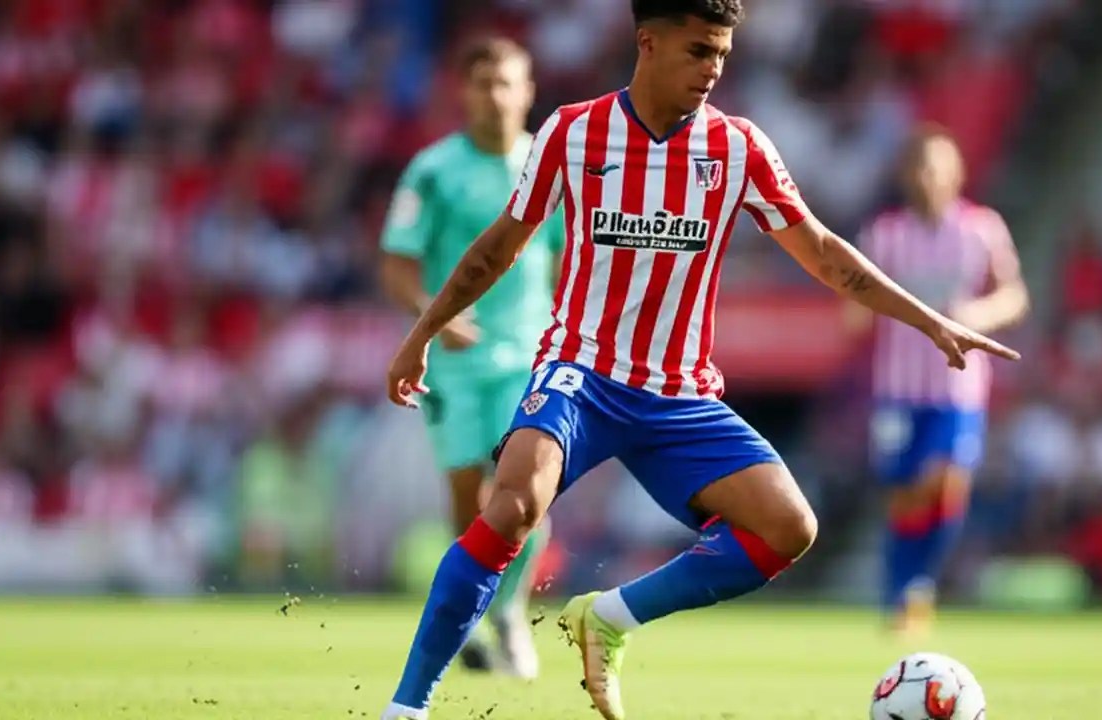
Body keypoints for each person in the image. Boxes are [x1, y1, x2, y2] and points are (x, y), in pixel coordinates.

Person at [380, 2, 1019, 718]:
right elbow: (501, 245)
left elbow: (824, 253)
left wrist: (930, 320)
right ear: (648, 43)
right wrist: (421, 334)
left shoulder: (738, 147)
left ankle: (609, 618)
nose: (714, 68)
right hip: (582, 373)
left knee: (790, 528)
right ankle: (408, 707)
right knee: (514, 505)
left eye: (722, 53)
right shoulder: (574, 132)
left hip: (678, 395)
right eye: (699, 51)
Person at [377, 37, 564, 680]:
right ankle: (478, 614)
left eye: (507, 83)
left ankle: (509, 613)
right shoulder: (433, 171)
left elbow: (571, 258)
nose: (495, 96)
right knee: (468, 497)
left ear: (529, 90)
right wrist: (437, 314)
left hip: (532, 354)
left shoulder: (550, 164)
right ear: (464, 92)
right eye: (483, 84)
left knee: (529, 493)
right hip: (453, 364)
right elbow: (397, 267)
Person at [846, 126, 1030, 635]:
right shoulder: (883, 235)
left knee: (947, 483)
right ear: (907, 175)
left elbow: (1014, 296)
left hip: (957, 388)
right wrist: (860, 311)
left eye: (939, 167)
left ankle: (917, 588)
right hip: (897, 392)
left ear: (957, 173)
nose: (929, 178)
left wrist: (976, 313)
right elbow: (855, 304)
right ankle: (900, 594)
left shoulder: (982, 229)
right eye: (921, 167)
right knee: (904, 495)